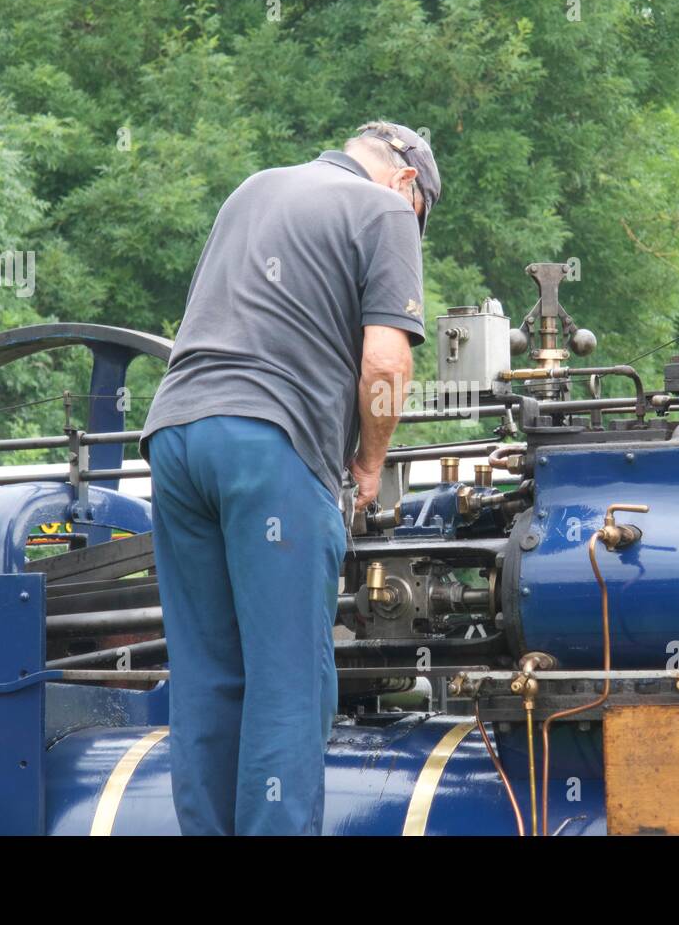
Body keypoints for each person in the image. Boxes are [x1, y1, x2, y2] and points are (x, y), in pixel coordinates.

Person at [140, 121, 440, 834]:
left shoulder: (254, 188)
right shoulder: (387, 210)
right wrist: (368, 463)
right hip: (267, 445)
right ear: (408, 184)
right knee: (289, 684)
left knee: (208, 681)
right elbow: (388, 365)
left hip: (175, 439)